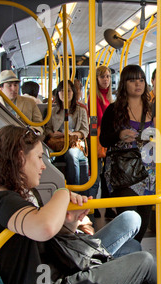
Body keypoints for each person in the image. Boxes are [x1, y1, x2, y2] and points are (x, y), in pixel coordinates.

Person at [0, 125, 156, 284]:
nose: (43, 166)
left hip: (53, 277)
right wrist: (62, 193)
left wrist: (71, 222)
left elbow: (43, 242)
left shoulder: (8, 197)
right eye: (39, 157)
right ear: (20, 158)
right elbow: (44, 228)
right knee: (145, 261)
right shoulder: (2, 201)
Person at [100, 64, 155, 242]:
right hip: (123, 171)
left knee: (142, 227)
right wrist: (119, 135)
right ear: (124, 84)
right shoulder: (114, 110)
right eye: (132, 80)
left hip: (149, 172)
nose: (138, 84)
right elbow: (103, 140)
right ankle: (126, 261)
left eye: (141, 80)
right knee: (129, 223)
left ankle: (135, 262)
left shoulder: (153, 109)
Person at [44, 80, 90, 193]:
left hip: (75, 142)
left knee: (72, 155)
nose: (65, 93)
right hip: (58, 142)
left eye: (68, 90)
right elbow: (47, 128)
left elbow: (85, 131)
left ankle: (74, 191)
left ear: (73, 92)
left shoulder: (81, 110)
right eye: (62, 90)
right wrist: (52, 134)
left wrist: (71, 134)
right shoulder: (53, 111)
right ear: (58, 93)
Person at [88, 66, 115, 216]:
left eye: (108, 77)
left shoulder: (110, 98)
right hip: (97, 139)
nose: (106, 80)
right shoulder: (94, 97)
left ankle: (107, 205)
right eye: (103, 77)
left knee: (107, 174)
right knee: (96, 175)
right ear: (97, 79)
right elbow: (99, 119)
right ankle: (93, 207)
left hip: (107, 138)